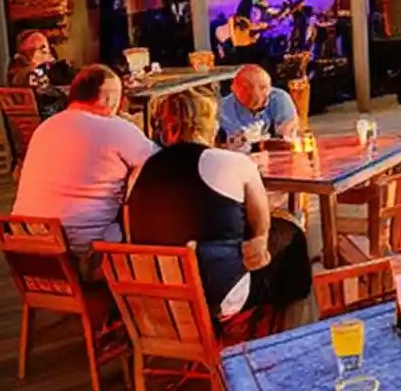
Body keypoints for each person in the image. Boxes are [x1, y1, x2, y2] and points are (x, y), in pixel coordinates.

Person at [127, 91, 312, 322]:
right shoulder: (231, 162)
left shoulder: (140, 171)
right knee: (293, 241)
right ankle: (297, 335)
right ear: (210, 126)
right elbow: (262, 215)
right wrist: (260, 238)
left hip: (157, 298)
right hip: (215, 297)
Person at [12, 64, 157, 268]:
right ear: (107, 99)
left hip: (29, 250)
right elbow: (161, 164)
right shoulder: (114, 128)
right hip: (84, 254)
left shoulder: (45, 128)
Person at [218, 65, 299, 143]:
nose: (257, 94)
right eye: (246, 89)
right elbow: (227, 142)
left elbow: (287, 137)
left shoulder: (280, 98)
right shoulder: (222, 108)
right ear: (233, 89)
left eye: (263, 88)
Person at [5, 30, 69, 118]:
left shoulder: (17, 70)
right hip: (46, 121)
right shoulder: (31, 73)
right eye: (44, 50)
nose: (49, 54)